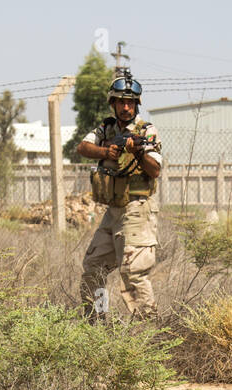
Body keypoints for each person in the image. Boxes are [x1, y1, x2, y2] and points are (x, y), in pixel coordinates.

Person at [77, 72, 163, 322]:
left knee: (132, 272)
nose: (126, 108)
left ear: (137, 105)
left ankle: (149, 329)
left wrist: (138, 152)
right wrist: (107, 151)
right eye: (121, 102)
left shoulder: (146, 131)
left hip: (138, 209)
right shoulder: (106, 128)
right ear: (113, 104)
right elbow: (83, 147)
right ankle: (96, 322)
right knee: (93, 267)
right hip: (113, 211)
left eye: (130, 103)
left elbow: (155, 170)